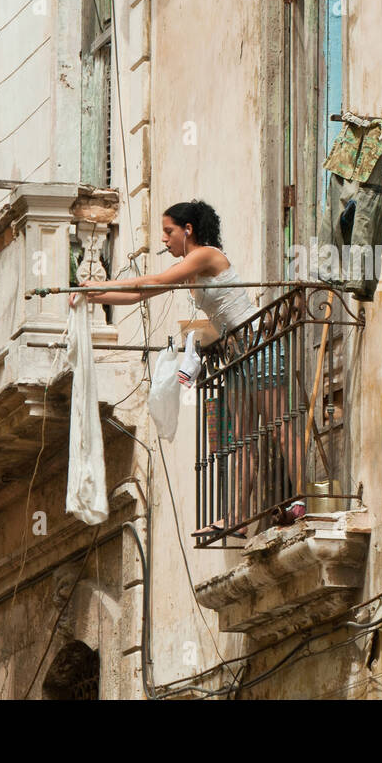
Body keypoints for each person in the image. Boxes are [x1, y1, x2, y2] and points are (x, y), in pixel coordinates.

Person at [71, 201, 293, 536]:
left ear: (188, 230)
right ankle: (236, 519)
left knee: (280, 427)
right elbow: (140, 295)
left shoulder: (206, 255)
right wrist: (94, 295)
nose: (164, 240)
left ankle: (308, 502)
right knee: (244, 441)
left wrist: (93, 289)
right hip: (239, 357)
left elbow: (155, 278)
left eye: (169, 231)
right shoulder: (191, 271)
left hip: (259, 347)